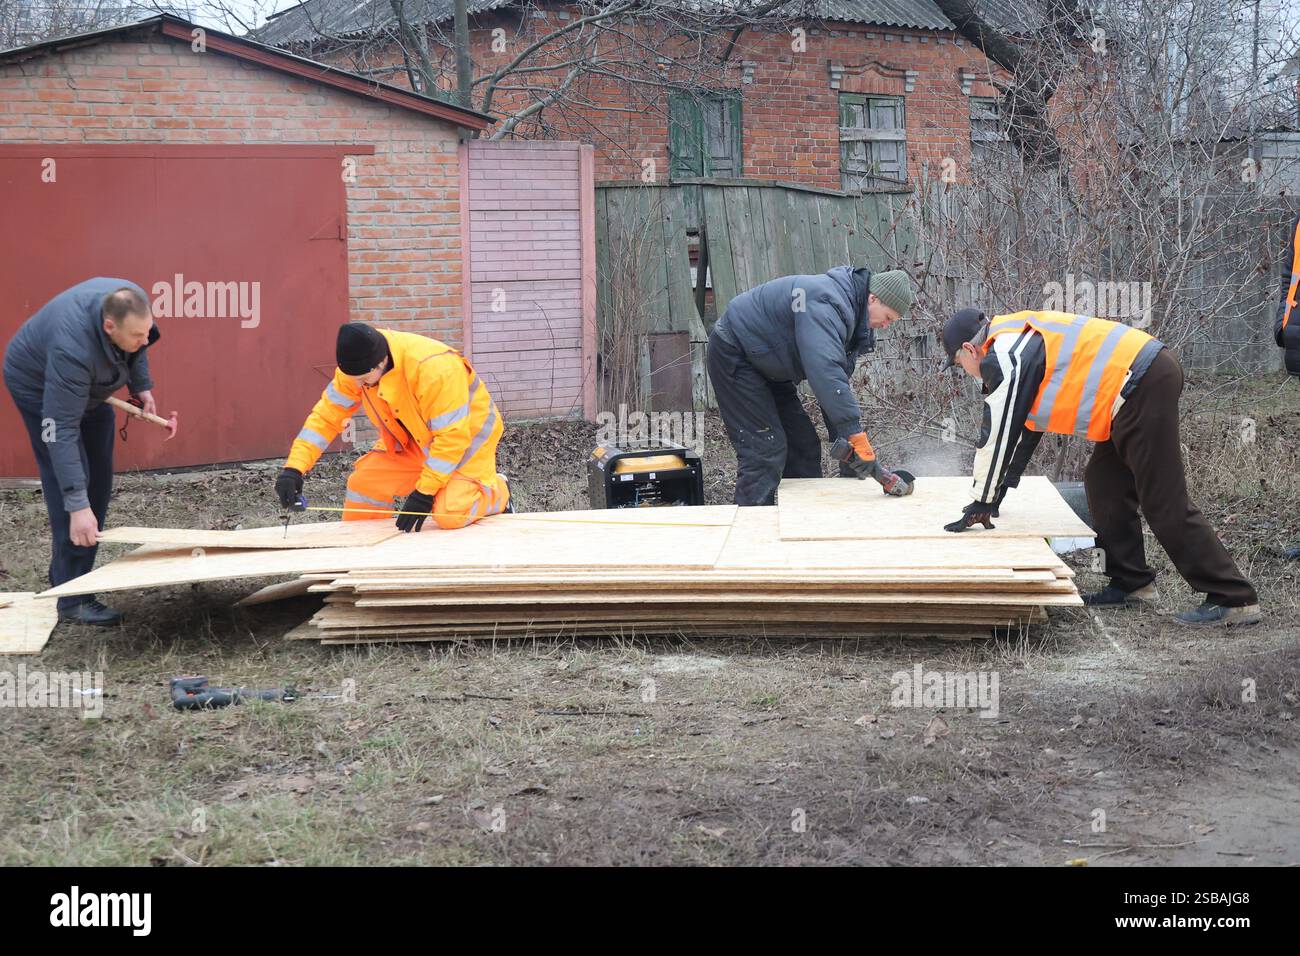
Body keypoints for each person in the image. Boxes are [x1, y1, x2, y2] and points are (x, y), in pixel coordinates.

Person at [940, 307, 1260, 627]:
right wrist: (998, 492)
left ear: (970, 349)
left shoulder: (1004, 355)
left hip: (1142, 381)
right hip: (1134, 385)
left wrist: (981, 499)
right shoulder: (1014, 339)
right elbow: (1023, 428)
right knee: (1104, 484)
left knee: (1162, 500)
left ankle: (1232, 598)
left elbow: (998, 431)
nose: (965, 372)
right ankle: (1131, 582)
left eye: (959, 365)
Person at [3, 279, 169, 625]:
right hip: (39, 385)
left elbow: (138, 347)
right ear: (109, 326)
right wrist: (78, 505)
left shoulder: (130, 304)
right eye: (136, 335)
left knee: (99, 477)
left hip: (90, 383)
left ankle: (67, 572)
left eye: (146, 331)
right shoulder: (72, 350)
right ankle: (73, 595)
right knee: (74, 482)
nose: (144, 340)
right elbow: (59, 430)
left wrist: (141, 385)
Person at [706, 267, 914, 506]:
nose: (886, 325)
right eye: (888, 317)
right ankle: (752, 532)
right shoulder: (827, 303)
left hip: (769, 366)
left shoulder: (853, 323)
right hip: (735, 352)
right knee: (764, 451)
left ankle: (801, 526)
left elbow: (835, 385)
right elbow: (825, 372)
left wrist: (849, 450)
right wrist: (855, 432)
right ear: (873, 298)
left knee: (802, 447)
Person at [276, 322, 510, 530]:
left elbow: (452, 438)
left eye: (363, 380)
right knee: (364, 485)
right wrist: (294, 469)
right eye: (353, 379)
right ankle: (363, 552)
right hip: (414, 441)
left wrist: (424, 493)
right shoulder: (357, 368)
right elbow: (326, 417)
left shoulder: (434, 369)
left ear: (381, 362)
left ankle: (499, 491)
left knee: (449, 514)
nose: (357, 386)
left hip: (468, 441)